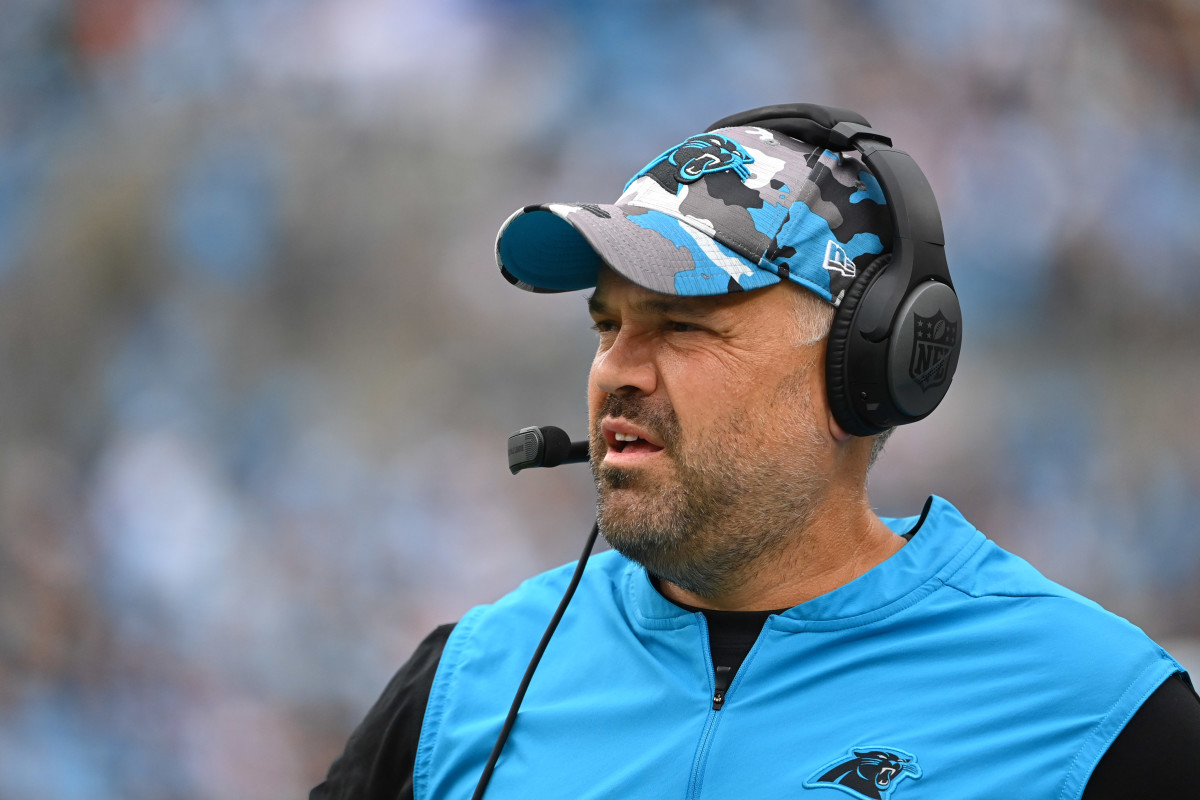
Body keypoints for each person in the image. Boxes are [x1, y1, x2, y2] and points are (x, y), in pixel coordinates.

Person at [311, 105, 1200, 800]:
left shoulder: (1095, 709)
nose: (616, 371)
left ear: (866, 369)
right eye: (607, 325)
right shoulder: (467, 686)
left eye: (683, 326)